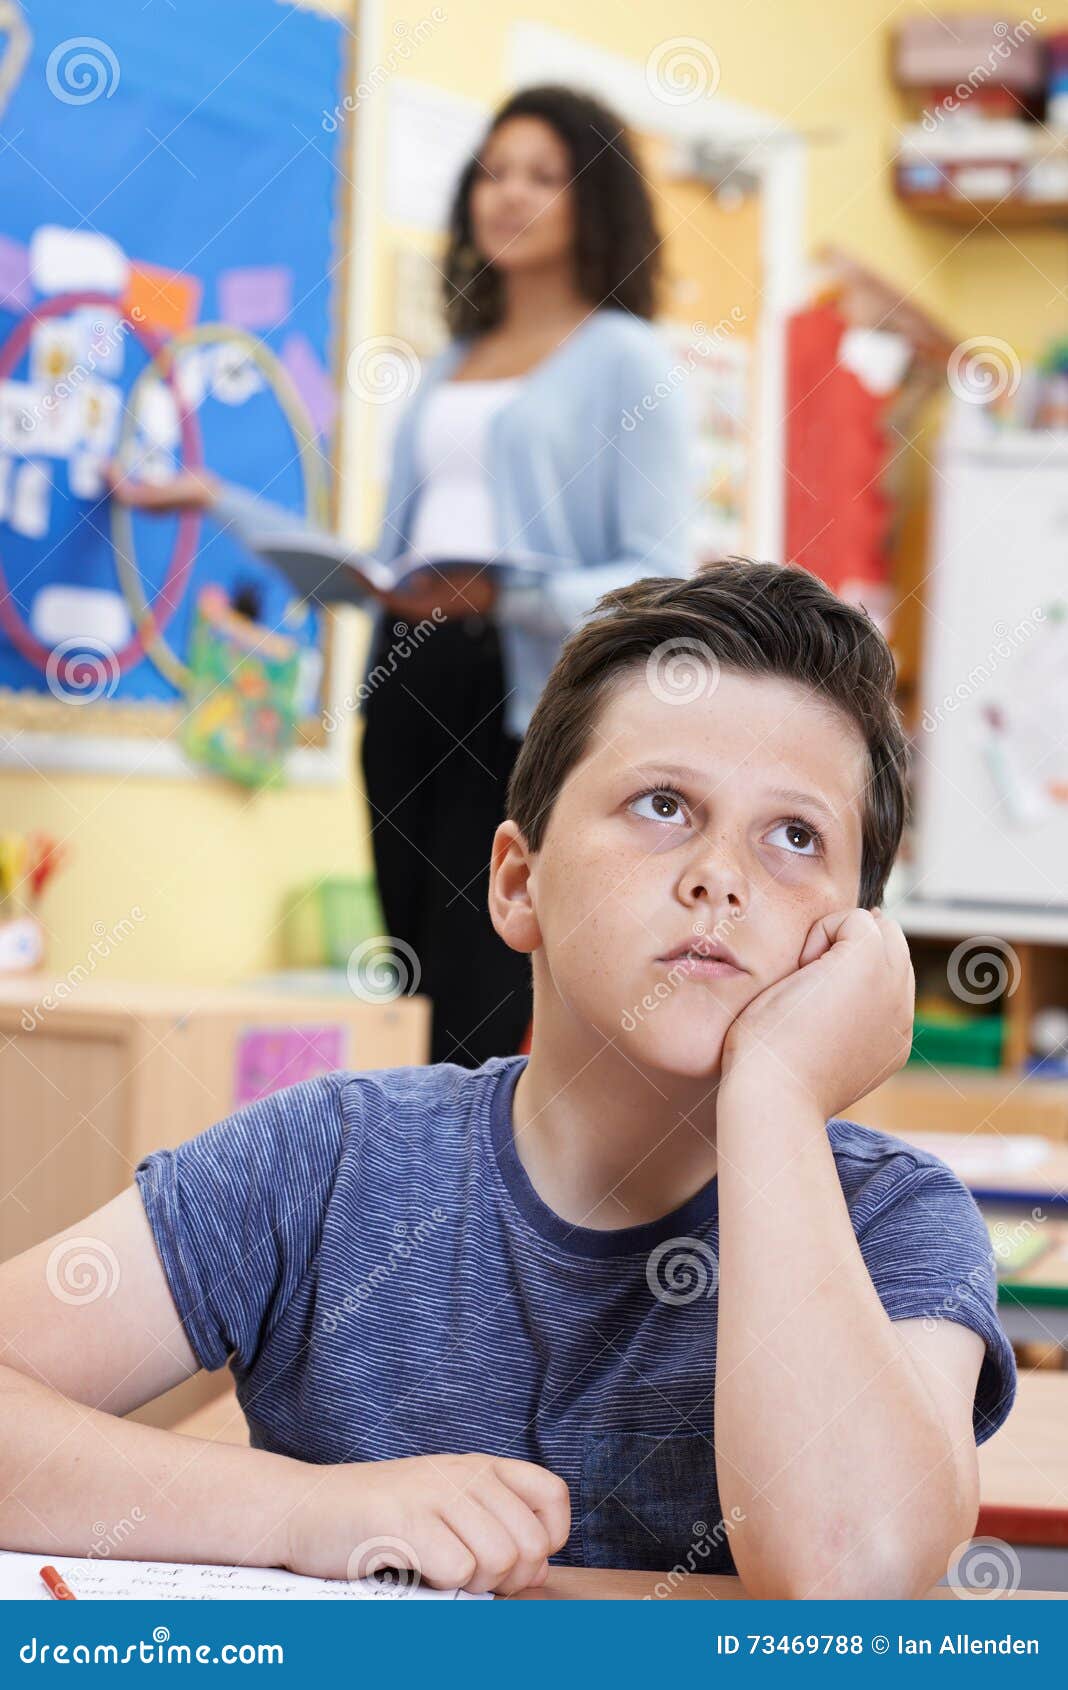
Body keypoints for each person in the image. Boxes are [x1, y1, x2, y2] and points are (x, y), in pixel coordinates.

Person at [0, 561, 1015, 1598]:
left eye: (795, 836)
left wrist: (776, 1094)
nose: (724, 876)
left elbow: (854, 1577)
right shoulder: (326, 1159)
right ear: (519, 883)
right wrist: (305, 1511)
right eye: (663, 803)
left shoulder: (895, 1219)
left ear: (853, 941)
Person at [108, 84, 690, 1067]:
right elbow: (384, 560)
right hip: (410, 686)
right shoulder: (453, 360)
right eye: (493, 172)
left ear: (597, 198)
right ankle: (427, 1205)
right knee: (420, 993)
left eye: (542, 176)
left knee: (485, 991)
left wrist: (502, 595)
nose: (508, 194)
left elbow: (655, 580)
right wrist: (219, 499)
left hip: (524, 707)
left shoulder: (628, 361)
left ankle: (490, 1214)